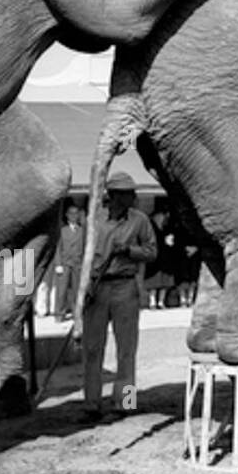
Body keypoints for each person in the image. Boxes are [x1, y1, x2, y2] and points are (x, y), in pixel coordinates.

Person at [81, 172, 156, 421]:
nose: (132, 197)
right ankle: (91, 404)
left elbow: (152, 251)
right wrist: (83, 290)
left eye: (132, 193)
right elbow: (83, 257)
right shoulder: (94, 221)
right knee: (92, 349)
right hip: (97, 288)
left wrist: (129, 250)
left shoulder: (140, 220)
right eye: (126, 193)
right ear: (113, 196)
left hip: (125, 287)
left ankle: (126, 403)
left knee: (127, 349)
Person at [52, 203, 86, 321]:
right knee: (62, 291)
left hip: (78, 264)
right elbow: (58, 248)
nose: (73, 216)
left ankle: (77, 314)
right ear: (67, 215)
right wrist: (58, 264)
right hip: (65, 264)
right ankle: (59, 314)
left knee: (77, 291)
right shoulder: (62, 230)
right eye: (71, 214)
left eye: (76, 214)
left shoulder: (82, 231)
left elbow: (86, 247)